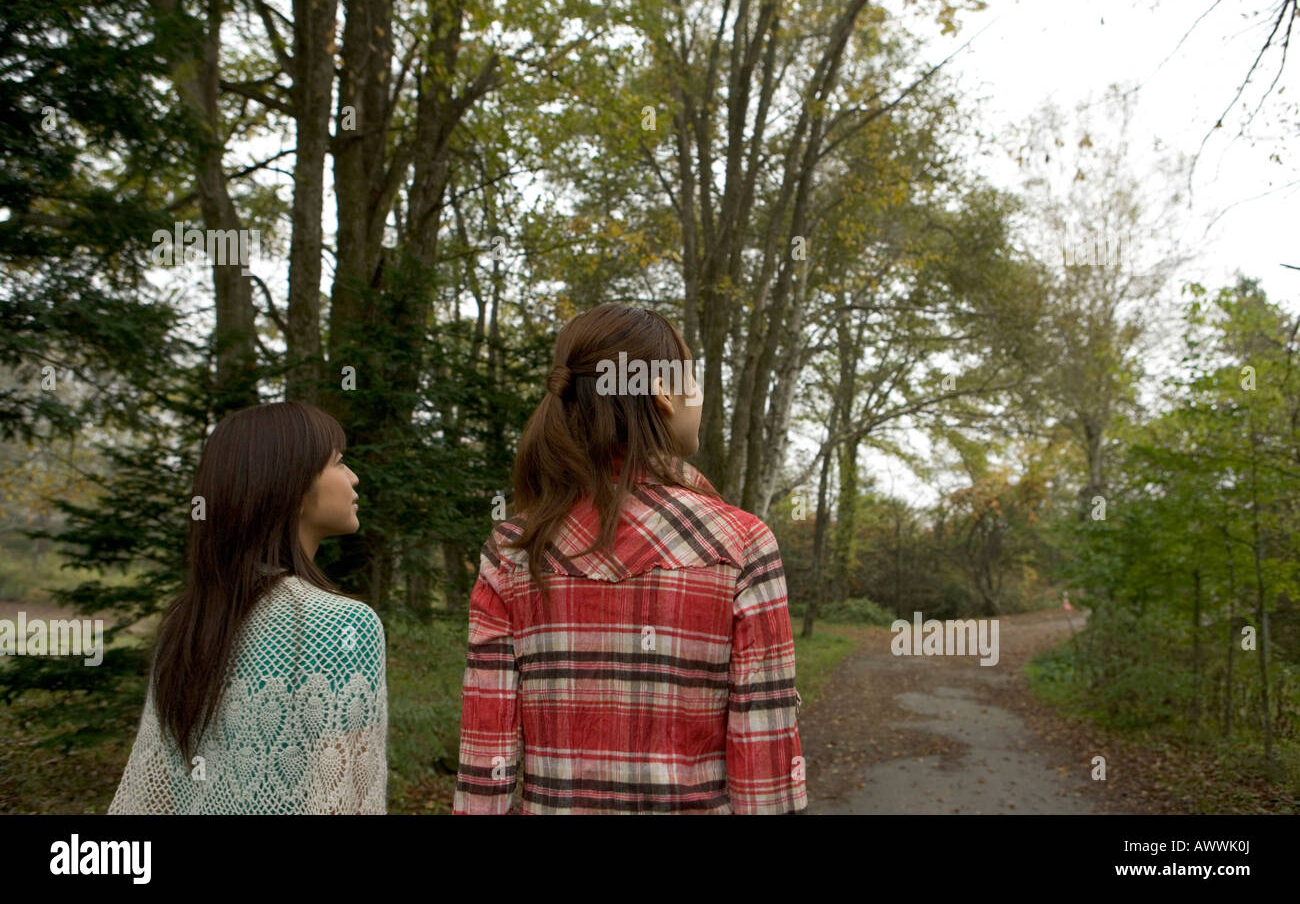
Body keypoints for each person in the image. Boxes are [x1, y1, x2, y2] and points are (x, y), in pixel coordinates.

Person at [454, 304, 807, 813]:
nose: (702, 399)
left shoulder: (512, 550)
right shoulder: (742, 542)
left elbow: (486, 754)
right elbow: (764, 750)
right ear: (664, 394)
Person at [108, 401, 387, 814]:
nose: (353, 477)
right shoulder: (343, 627)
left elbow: (150, 797)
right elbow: (344, 803)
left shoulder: (187, 623)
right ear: (292, 487)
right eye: (339, 463)